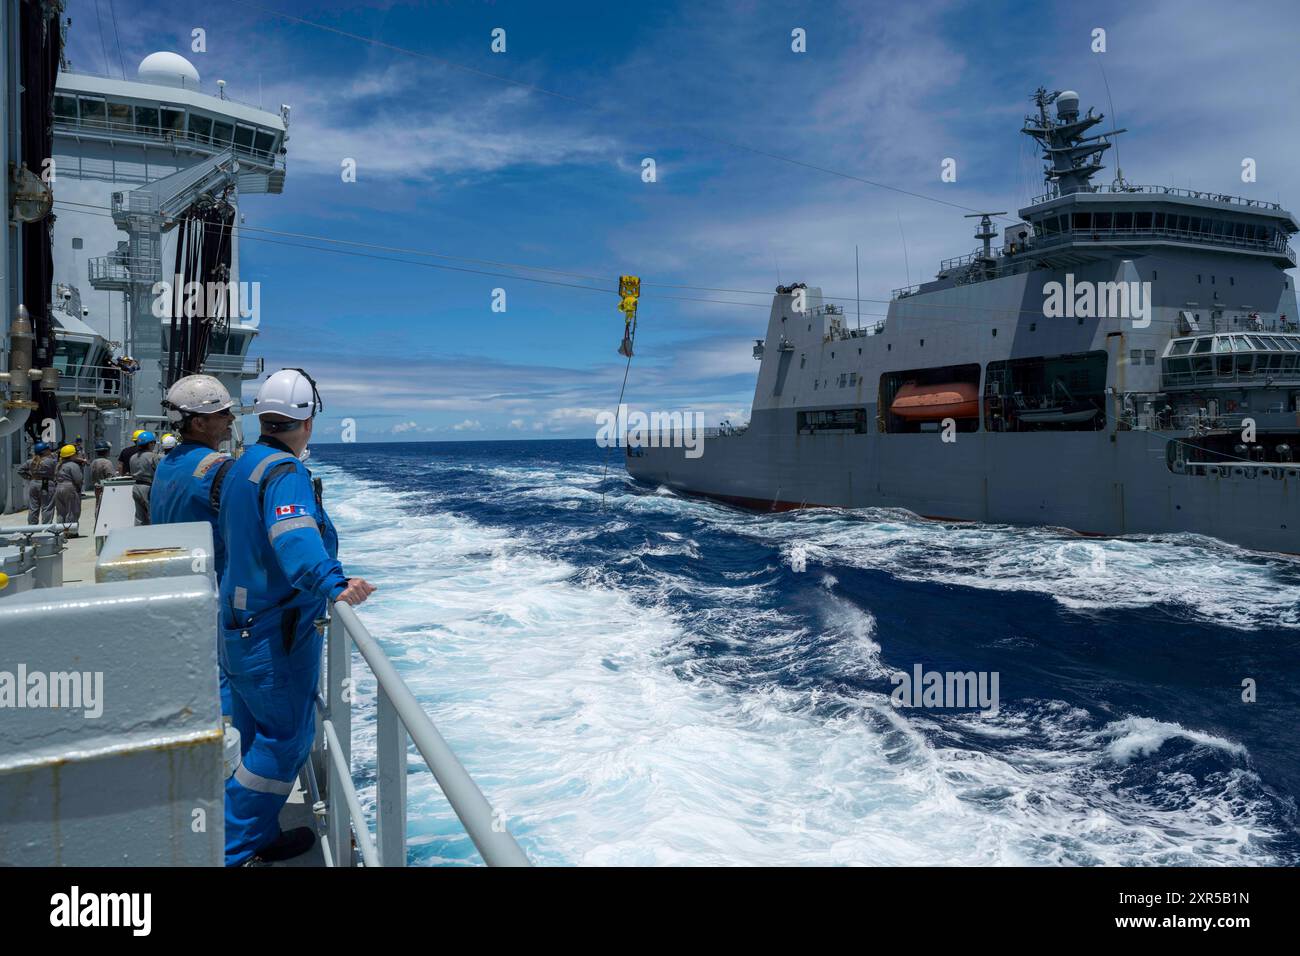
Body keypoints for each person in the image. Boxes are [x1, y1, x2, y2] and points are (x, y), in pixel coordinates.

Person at [219, 368, 375, 866]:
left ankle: (257, 835)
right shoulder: (285, 474)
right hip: (273, 634)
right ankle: (230, 851)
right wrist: (336, 584)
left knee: (249, 735)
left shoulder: (244, 465)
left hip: (238, 626)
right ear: (307, 421)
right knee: (284, 741)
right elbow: (295, 539)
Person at [151, 374, 238, 715]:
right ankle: (224, 754)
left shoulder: (166, 465)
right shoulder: (220, 469)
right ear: (200, 422)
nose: (230, 419)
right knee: (222, 677)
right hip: (212, 594)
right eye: (223, 414)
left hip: (175, 587)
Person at [19, 442, 56, 524]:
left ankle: (32, 527)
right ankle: (46, 527)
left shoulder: (30, 461)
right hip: (46, 483)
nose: (49, 450)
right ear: (43, 452)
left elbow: (20, 470)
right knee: (47, 506)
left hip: (34, 483)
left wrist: (29, 477)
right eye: (47, 449)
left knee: (33, 507)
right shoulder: (51, 461)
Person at [130, 431, 161, 525]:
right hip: (148, 487)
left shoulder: (133, 457)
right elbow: (159, 472)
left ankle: (139, 536)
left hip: (136, 487)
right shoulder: (153, 456)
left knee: (140, 516)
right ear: (150, 443)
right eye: (153, 443)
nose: (154, 445)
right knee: (153, 514)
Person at [53, 444, 84, 533]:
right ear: (72, 455)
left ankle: (60, 531)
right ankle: (71, 532)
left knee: (61, 511)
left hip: (58, 487)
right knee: (72, 510)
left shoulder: (59, 465)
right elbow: (78, 479)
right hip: (70, 487)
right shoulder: (73, 465)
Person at [89, 440, 115, 525]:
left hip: (96, 487)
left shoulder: (94, 462)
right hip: (105, 488)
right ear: (107, 451)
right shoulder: (107, 462)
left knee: (98, 505)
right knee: (105, 506)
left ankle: (97, 522)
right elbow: (111, 477)